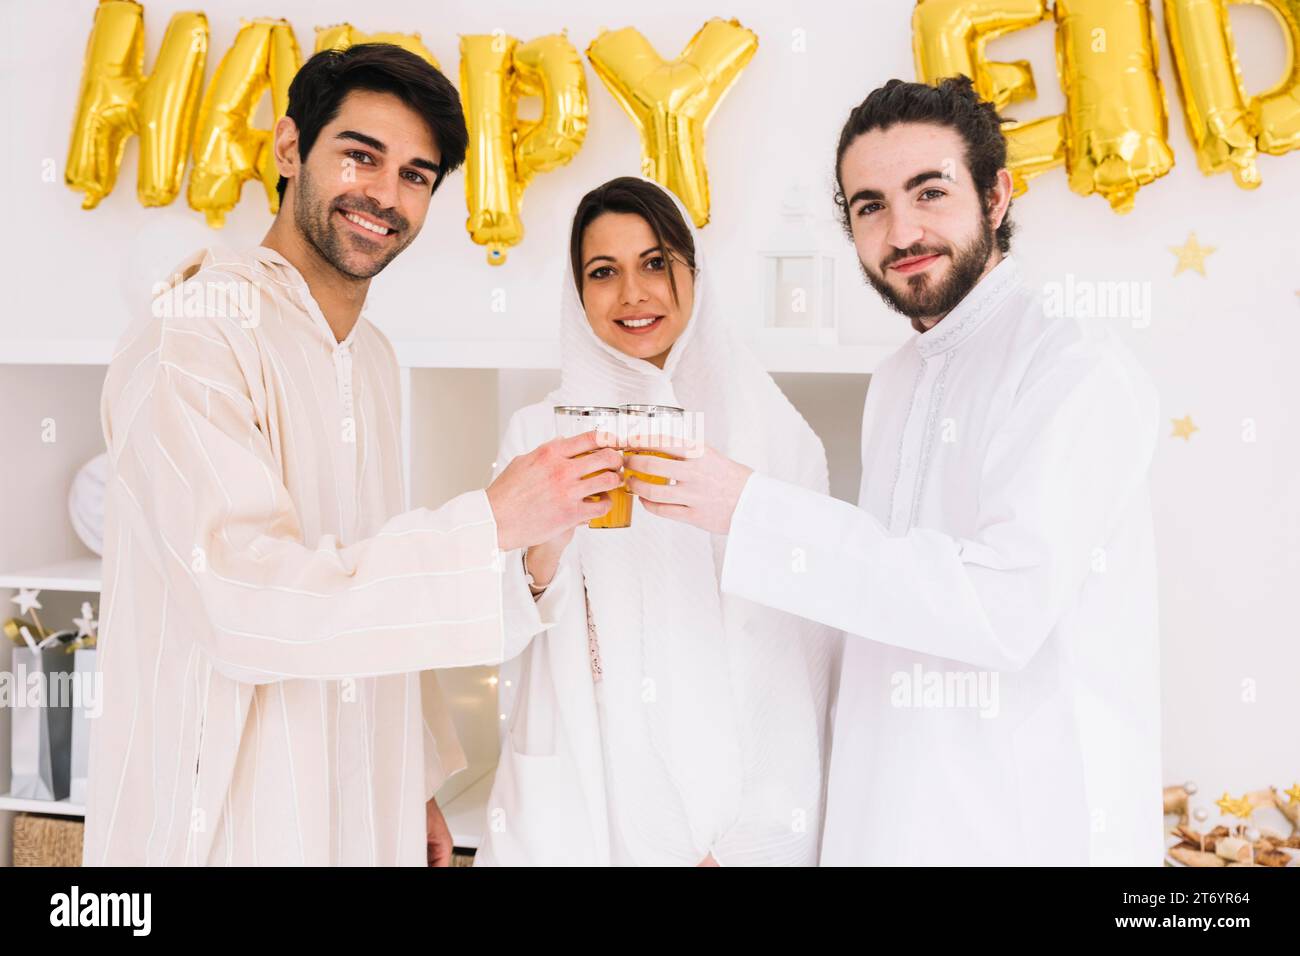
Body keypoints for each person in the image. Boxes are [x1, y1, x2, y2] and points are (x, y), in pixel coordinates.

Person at [84, 44, 623, 867]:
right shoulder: (192, 334)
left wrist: (411, 781)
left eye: (416, 174)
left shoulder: (368, 354)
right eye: (360, 157)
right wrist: (488, 521)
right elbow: (242, 601)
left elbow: (368, 578)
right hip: (223, 825)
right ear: (290, 148)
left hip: (357, 813)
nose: (385, 195)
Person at [628, 78, 1164, 865]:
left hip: (1028, 826)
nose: (902, 229)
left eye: (930, 191)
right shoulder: (898, 378)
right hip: (885, 819)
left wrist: (752, 508)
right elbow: (876, 615)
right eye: (870, 206)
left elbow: (999, 607)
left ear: (997, 196)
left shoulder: (1073, 364)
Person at [474, 176, 842, 866]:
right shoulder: (538, 435)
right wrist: (544, 544)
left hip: (740, 815)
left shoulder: (773, 435)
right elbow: (491, 626)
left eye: (655, 263)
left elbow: (801, 654)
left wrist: (749, 839)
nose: (633, 294)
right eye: (603, 272)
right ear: (576, 293)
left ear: (692, 272)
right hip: (590, 807)